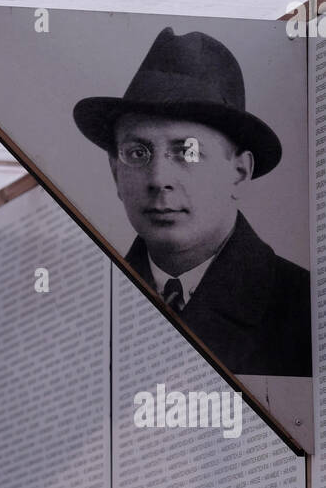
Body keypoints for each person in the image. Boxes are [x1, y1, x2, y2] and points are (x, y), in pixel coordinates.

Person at [73, 26, 311, 377]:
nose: (158, 180)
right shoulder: (85, 312)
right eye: (137, 153)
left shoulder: (305, 307)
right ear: (115, 174)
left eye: (187, 151)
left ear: (240, 172)